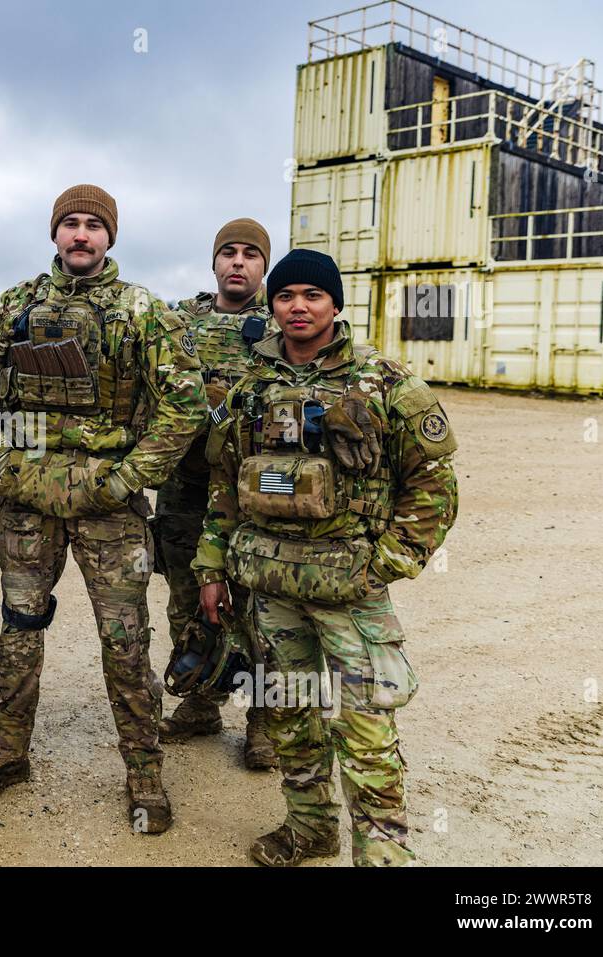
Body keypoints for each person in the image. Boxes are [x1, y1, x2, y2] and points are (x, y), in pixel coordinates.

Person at [194, 249, 459, 866]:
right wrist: (212, 565)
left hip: (350, 589)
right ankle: (310, 830)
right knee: (290, 715)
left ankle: (381, 855)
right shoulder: (253, 387)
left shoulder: (384, 383)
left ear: (335, 305)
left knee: (366, 731)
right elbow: (226, 483)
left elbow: (434, 483)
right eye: (287, 296)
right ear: (273, 304)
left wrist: (388, 561)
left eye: (313, 295)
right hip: (272, 586)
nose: (299, 307)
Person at [0, 184, 205, 833]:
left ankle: (144, 770)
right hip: (27, 502)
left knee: (125, 641)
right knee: (18, 630)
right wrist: (6, 463)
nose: (81, 235)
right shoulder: (14, 309)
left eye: (94, 224)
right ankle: (6, 752)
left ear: (110, 237)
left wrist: (127, 478)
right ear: (54, 233)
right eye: (70, 222)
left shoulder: (141, 311)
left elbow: (185, 405)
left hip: (109, 506)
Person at [156, 218, 277, 770]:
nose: (238, 262)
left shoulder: (282, 324)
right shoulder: (180, 320)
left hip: (256, 493)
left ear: (263, 267)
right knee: (188, 598)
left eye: (250, 254)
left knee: (259, 607)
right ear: (213, 262)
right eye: (228, 252)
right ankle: (202, 703)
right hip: (186, 490)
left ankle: (266, 724)